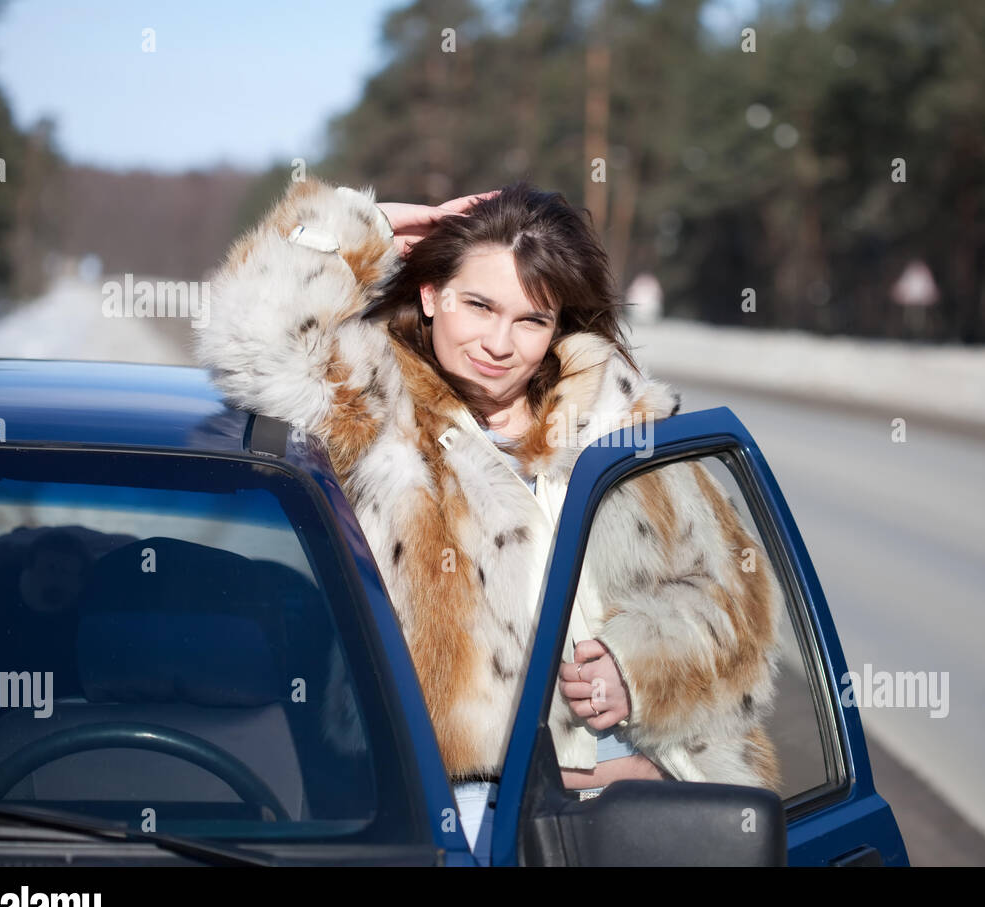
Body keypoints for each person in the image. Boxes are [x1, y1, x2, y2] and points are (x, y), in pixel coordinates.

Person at [194, 176, 785, 862]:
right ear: (431, 293)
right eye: (478, 305)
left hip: (650, 797)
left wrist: (638, 668)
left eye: (531, 319)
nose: (499, 342)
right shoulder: (380, 410)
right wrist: (365, 228)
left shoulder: (621, 423)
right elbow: (255, 341)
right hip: (457, 814)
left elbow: (739, 606)